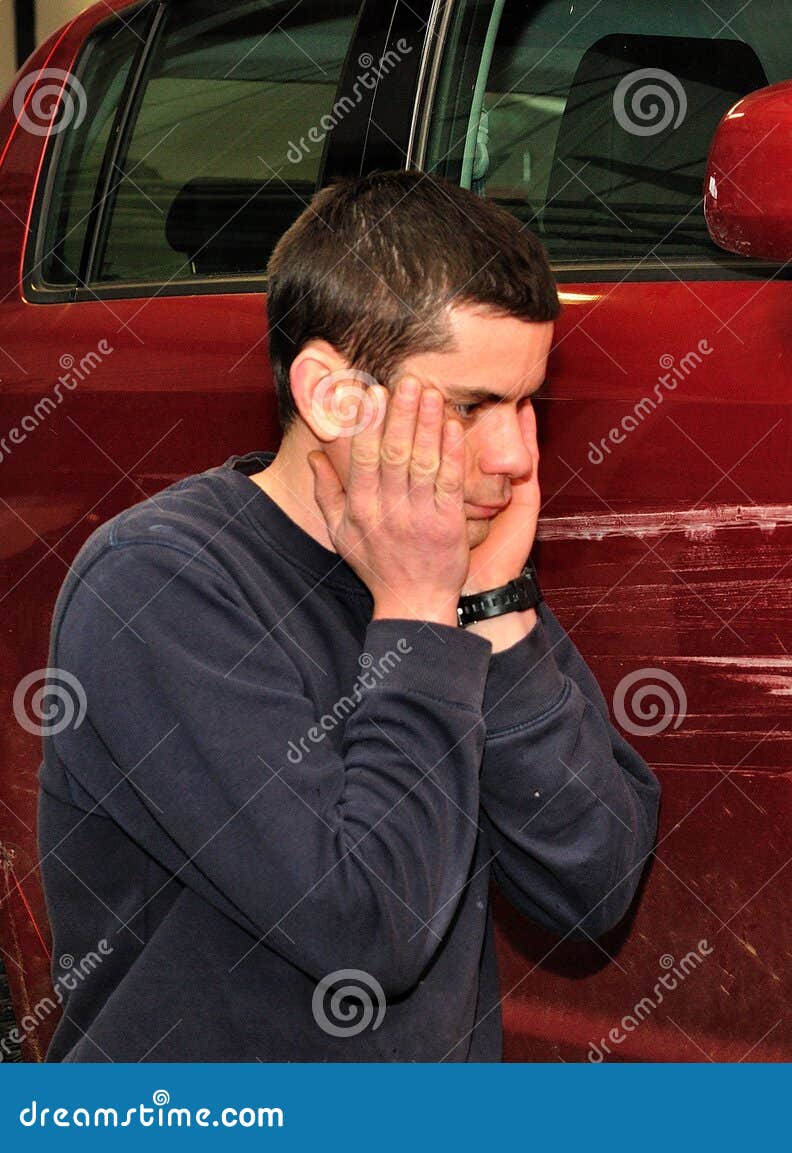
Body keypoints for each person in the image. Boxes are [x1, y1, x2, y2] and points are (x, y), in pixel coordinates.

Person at [35, 170, 661, 1060]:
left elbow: (591, 889)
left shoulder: (453, 566)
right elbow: (369, 933)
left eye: (528, 403)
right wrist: (416, 611)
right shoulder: (158, 585)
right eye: (472, 405)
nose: (518, 455)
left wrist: (493, 608)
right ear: (334, 397)